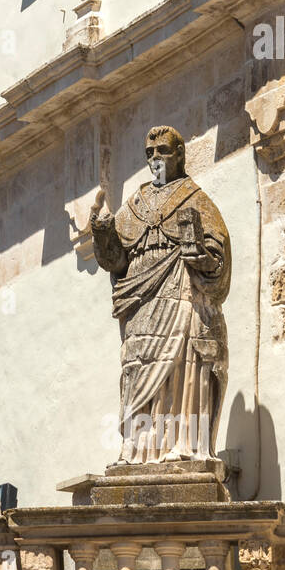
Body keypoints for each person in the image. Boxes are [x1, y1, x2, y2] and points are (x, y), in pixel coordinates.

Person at [90, 125, 231, 464]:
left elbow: (217, 252)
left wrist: (203, 256)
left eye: (163, 151)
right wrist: (101, 229)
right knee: (137, 367)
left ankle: (180, 445)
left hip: (180, 297)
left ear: (179, 155)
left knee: (180, 366)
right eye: (149, 153)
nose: (155, 158)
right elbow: (116, 260)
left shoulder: (194, 197)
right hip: (140, 304)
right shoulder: (136, 202)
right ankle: (138, 450)